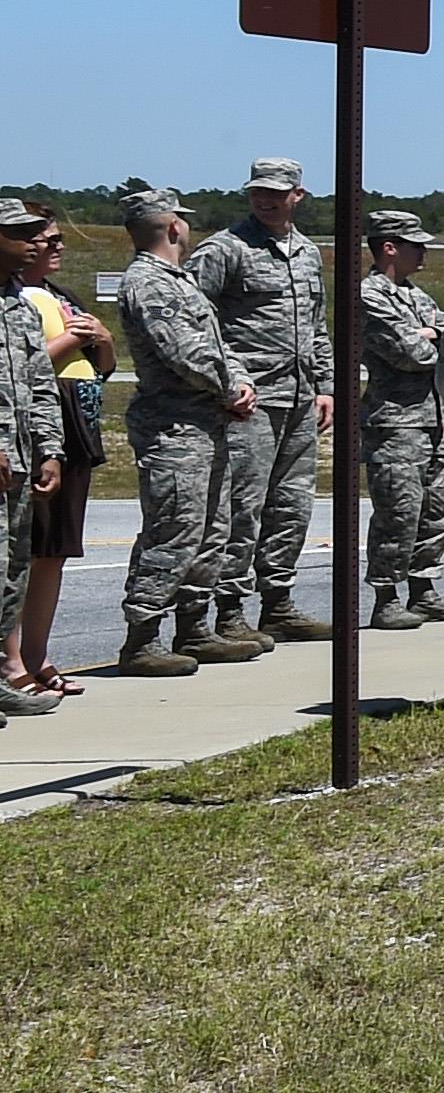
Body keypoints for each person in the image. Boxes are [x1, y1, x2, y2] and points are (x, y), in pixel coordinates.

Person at [188, 155, 337, 647]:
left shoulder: (308, 252)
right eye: (258, 190)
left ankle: (278, 602)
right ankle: (229, 610)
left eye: (276, 191)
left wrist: (325, 385)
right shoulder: (225, 249)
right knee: (242, 507)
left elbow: (315, 324)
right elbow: (194, 317)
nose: (265, 199)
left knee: (291, 507)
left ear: (298, 195)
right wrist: (227, 379)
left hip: (298, 397)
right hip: (250, 399)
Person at [111, 192, 255, 675]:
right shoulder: (148, 283)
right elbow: (182, 350)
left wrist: (239, 381)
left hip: (205, 421)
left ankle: (195, 626)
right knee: (173, 530)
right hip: (172, 427)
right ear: (173, 227)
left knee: (213, 529)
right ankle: (143, 637)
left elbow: (215, 342)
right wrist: (229, 385)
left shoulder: (181, 282)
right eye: (184, 223)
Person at [14, 206, 113, 698]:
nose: (51, 246)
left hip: (71, 430)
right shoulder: (17, 301)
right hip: (32, 431)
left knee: (53, 550)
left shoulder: (59, 297)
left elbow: (101, 366)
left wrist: (103, 341)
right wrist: (68, 339)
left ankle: (38, 654)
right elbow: (24, 368)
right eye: (39, 238)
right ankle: (14, 660)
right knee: (23, 551)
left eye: (54, 239)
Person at [355, 211, 444, 632]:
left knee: (435, 510)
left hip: (429, 418)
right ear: (389, 247)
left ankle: (424, 590)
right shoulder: (370, 295)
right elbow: (410, 354)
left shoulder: (414, 295)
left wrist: (430, 334)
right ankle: (386, 597)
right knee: (398, 512)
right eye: (417, 245)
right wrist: (428, 337)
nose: (425, 252)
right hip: (394, 423)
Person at [0, 206, 56, 716]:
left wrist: (50, 450)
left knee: (12, 569)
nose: (35, 243)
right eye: (20, 236)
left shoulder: (19, 304)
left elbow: (40, 383)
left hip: (19, 460)